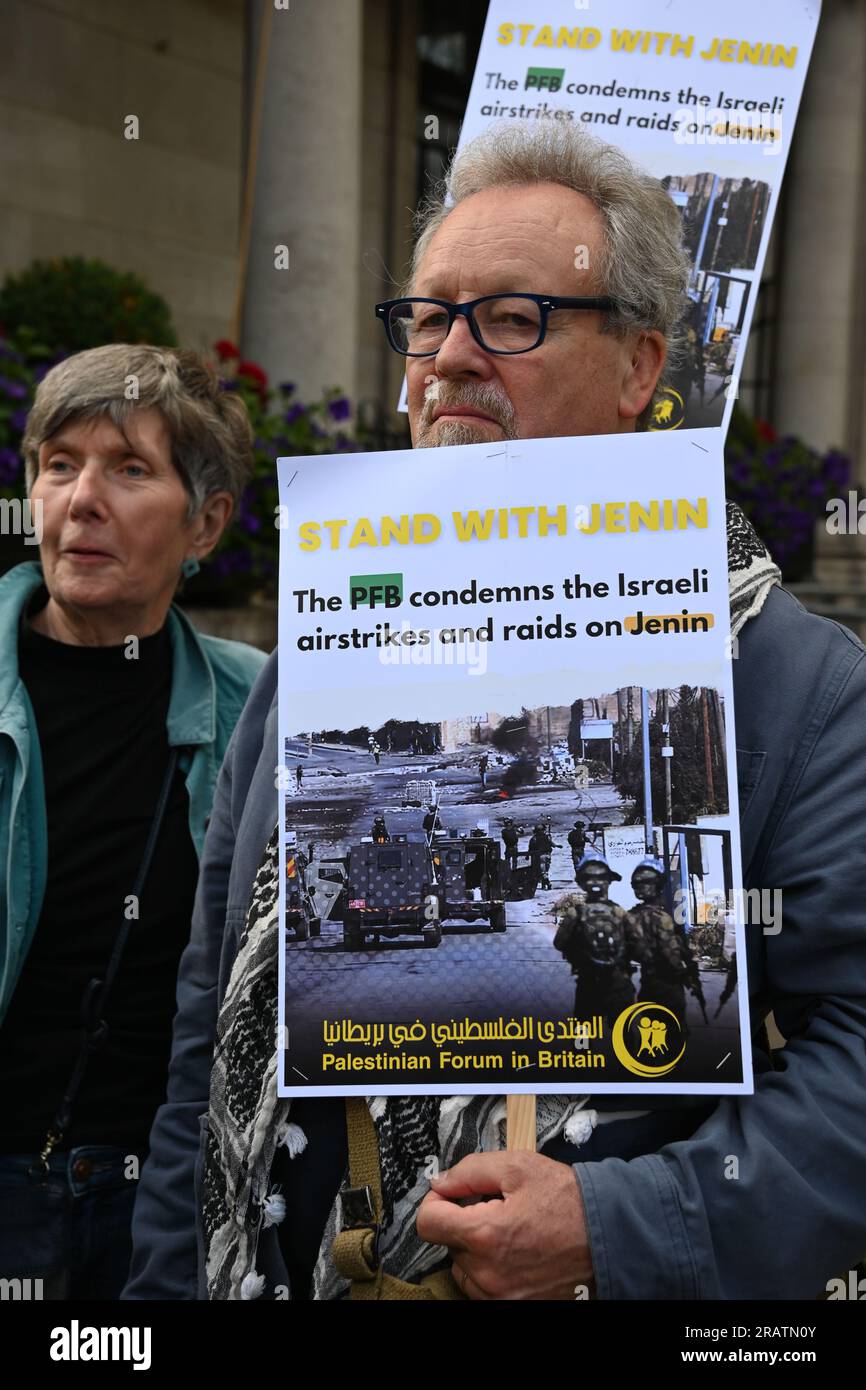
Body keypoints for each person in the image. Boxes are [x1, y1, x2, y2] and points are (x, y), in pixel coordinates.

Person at [125, 120, 866, 1302]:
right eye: (425, 317)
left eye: (511, 318)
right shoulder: (306, 657)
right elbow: (206, 1026)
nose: (448, 359)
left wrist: (617, 1224)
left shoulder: (794, 680)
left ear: (638, 368)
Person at [0, 343, 267, 1299]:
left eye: (129, 469)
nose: (82, 499)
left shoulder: (259, 705)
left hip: (169, 1202)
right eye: (58, 464)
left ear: (206, 525)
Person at [553, 855, 642, 1026]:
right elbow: (638, 946)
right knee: (624, 1037)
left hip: (588, 983)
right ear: (608, 882)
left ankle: (581, 1052)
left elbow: (559, 943)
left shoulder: (575, 914)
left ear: (582, 884)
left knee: (583, 1035)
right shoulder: (619, 912)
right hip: (619, 984)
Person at [626, 857, 698, 1033]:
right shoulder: (663, 917)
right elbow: (671, 954)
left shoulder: (632, 916)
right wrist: (687, 975)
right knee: (673, 1037)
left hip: (647, 984)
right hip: (667, 986)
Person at [527, 822, 554, 891]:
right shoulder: (547, 837)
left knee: (542, 872)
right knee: (545, 871)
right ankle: (544, 885)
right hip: (548, 855)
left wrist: (528, 855)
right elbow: (551, 844)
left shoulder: (534, 838)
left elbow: (530, 848)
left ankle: (547, 883)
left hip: (540, 856)